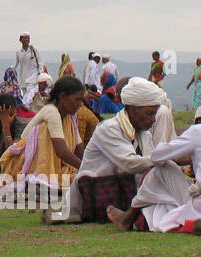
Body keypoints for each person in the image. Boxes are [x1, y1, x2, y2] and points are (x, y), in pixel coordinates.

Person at [107, 103, 201, 234]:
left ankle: (128, 217)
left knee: (163, 167)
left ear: (199, 122)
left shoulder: (200, 131)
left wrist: (183, 155)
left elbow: (158, 155)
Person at [69, 78, 165, 222]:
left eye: (154, 114)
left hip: (123, 193)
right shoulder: (109, 129)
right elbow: (131, 164)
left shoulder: (144, 135)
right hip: (98, 192)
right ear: (133, 110)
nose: (153, 119)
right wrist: (166, 156)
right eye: (149, 114)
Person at [0, 76, 87, 186]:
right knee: (44, 131)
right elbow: (62, 151)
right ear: (63, 96)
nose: (80, 104)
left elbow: (78, 147)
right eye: (77, 99)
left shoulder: (70, 117)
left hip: (52, 165)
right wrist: (85, 167)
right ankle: (39, 178)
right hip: (25, 162)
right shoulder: (51, 111)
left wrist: (87, 167)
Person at [14, 34, 42, 102]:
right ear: (20, 40)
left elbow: (40, 63)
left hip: (33, 78)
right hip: (23, 79)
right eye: (25, 38)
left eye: (28, 38)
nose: (27, 40)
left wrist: (40, 76)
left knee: (31, 98)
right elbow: (14, 65)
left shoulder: (34, 50)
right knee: (24, 97)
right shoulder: (18, 52)